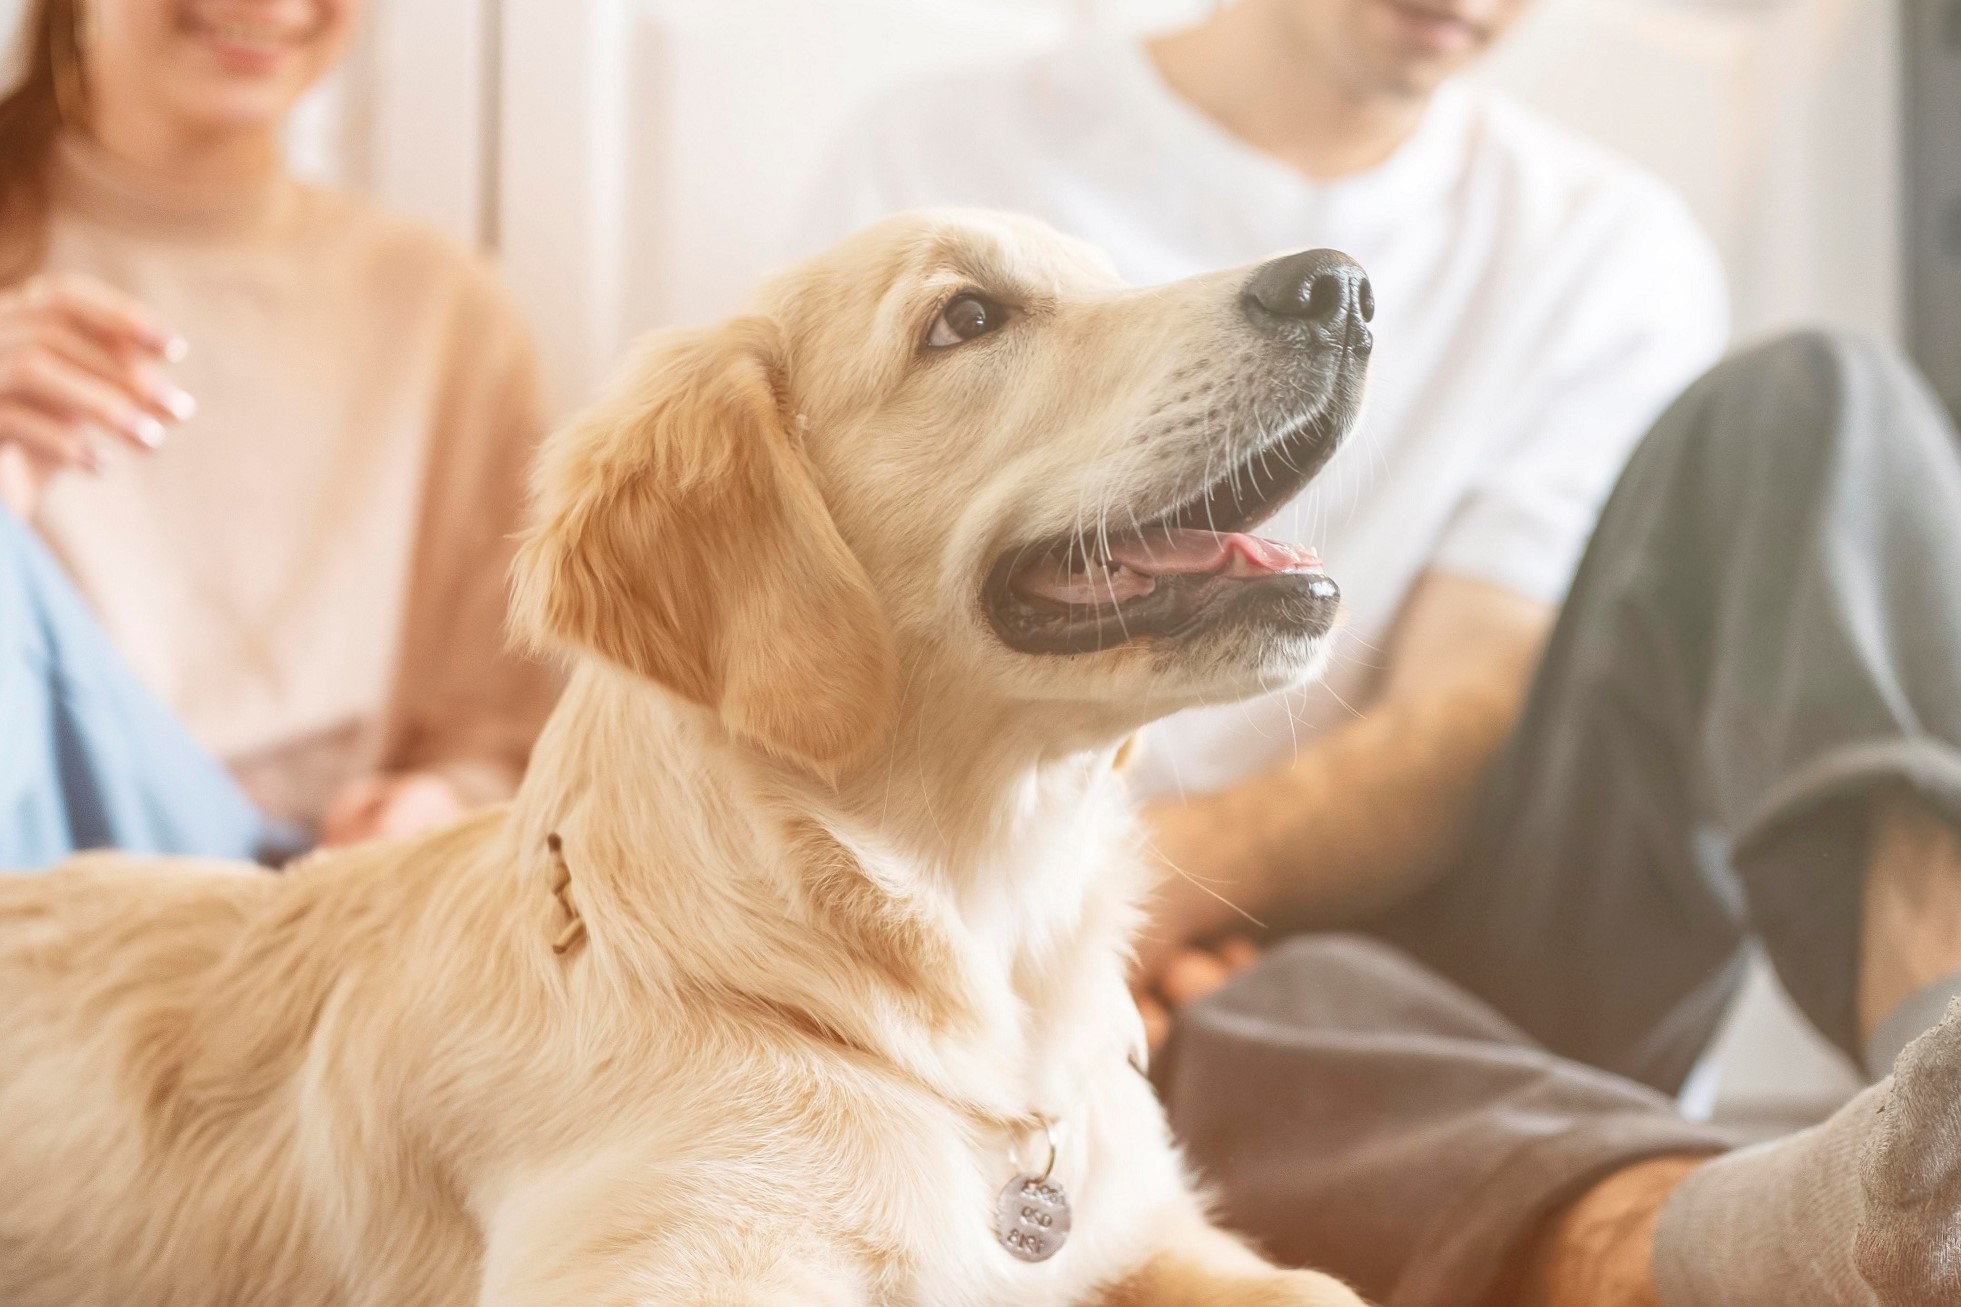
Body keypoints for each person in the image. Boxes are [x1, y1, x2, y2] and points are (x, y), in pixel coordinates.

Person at [800, 1, 1961, 1304]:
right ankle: (1701, 1245)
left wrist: (1161, 886)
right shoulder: (940, 171)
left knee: (1815, 403)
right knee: (1296, 995)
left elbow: (1472, 696)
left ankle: (1948, 1110)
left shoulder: (1602, 243)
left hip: (1471, 930)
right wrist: (1085, 930)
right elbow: (812, 633)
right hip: (1133, 1004)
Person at [0, 0, 556, 867]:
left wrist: (442, 806)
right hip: (50, 871)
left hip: (310, 900)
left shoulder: (444, 310)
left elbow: (507, 732)